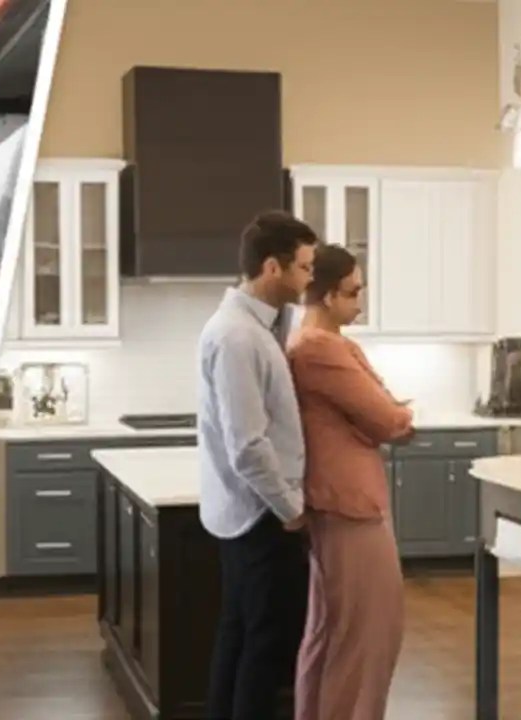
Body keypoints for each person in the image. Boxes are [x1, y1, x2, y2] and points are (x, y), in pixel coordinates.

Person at [198, 210, 317, 720]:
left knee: (241, 635)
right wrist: (290, 508)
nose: (311, 278)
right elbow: (248, 443)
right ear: (274, 267)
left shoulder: (254, 327)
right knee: (266, 649)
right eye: (305, 268)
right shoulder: (238, 337)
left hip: (247, 513)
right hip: (262, 516)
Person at [288, 245, 413, 720]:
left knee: (332, 631)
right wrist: (389, 418)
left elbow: (379, 410)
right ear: (323, 294)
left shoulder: (317, 344)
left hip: (336, 501)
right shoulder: (321, 348)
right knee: (370, 635)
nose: (360, 302)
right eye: (353, 292)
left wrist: (383, 415)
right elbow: (389, 418)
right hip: (350, 503)